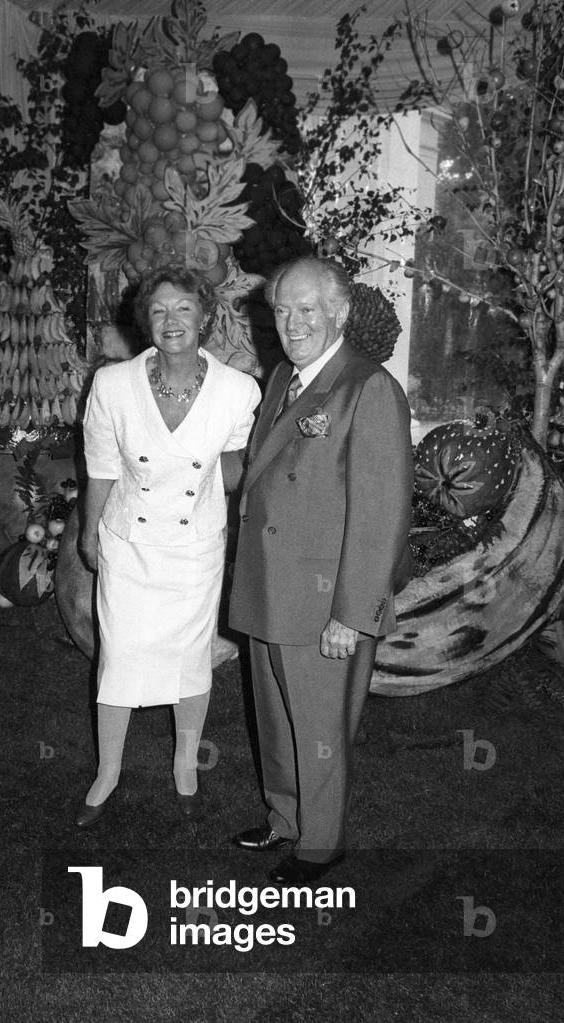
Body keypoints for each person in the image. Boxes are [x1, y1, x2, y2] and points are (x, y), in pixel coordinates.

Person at [229, 256, 413, 884]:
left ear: (339, 312)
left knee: (320, 726)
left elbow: (380, 512)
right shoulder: (284, 376)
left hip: (323, 597)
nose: (293, 321)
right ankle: (284, 819)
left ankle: (321, 843)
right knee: (275, 717)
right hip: (268, 587)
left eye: (308, 309)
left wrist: (351, 613)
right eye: (282, 309)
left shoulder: (369, 386)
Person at [76, 265, 261, 827]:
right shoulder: (111, 386)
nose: (172, 319)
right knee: (120, 658)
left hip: (194, 546)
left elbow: (233, 469)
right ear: (146, 322)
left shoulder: (239, 390)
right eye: (159, 310)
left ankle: (186, 761)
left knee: (189, 659)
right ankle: (108, 771)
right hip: (130, 542)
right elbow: (102, 468)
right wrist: (88, 531)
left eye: (184, 307)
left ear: (205, 316)